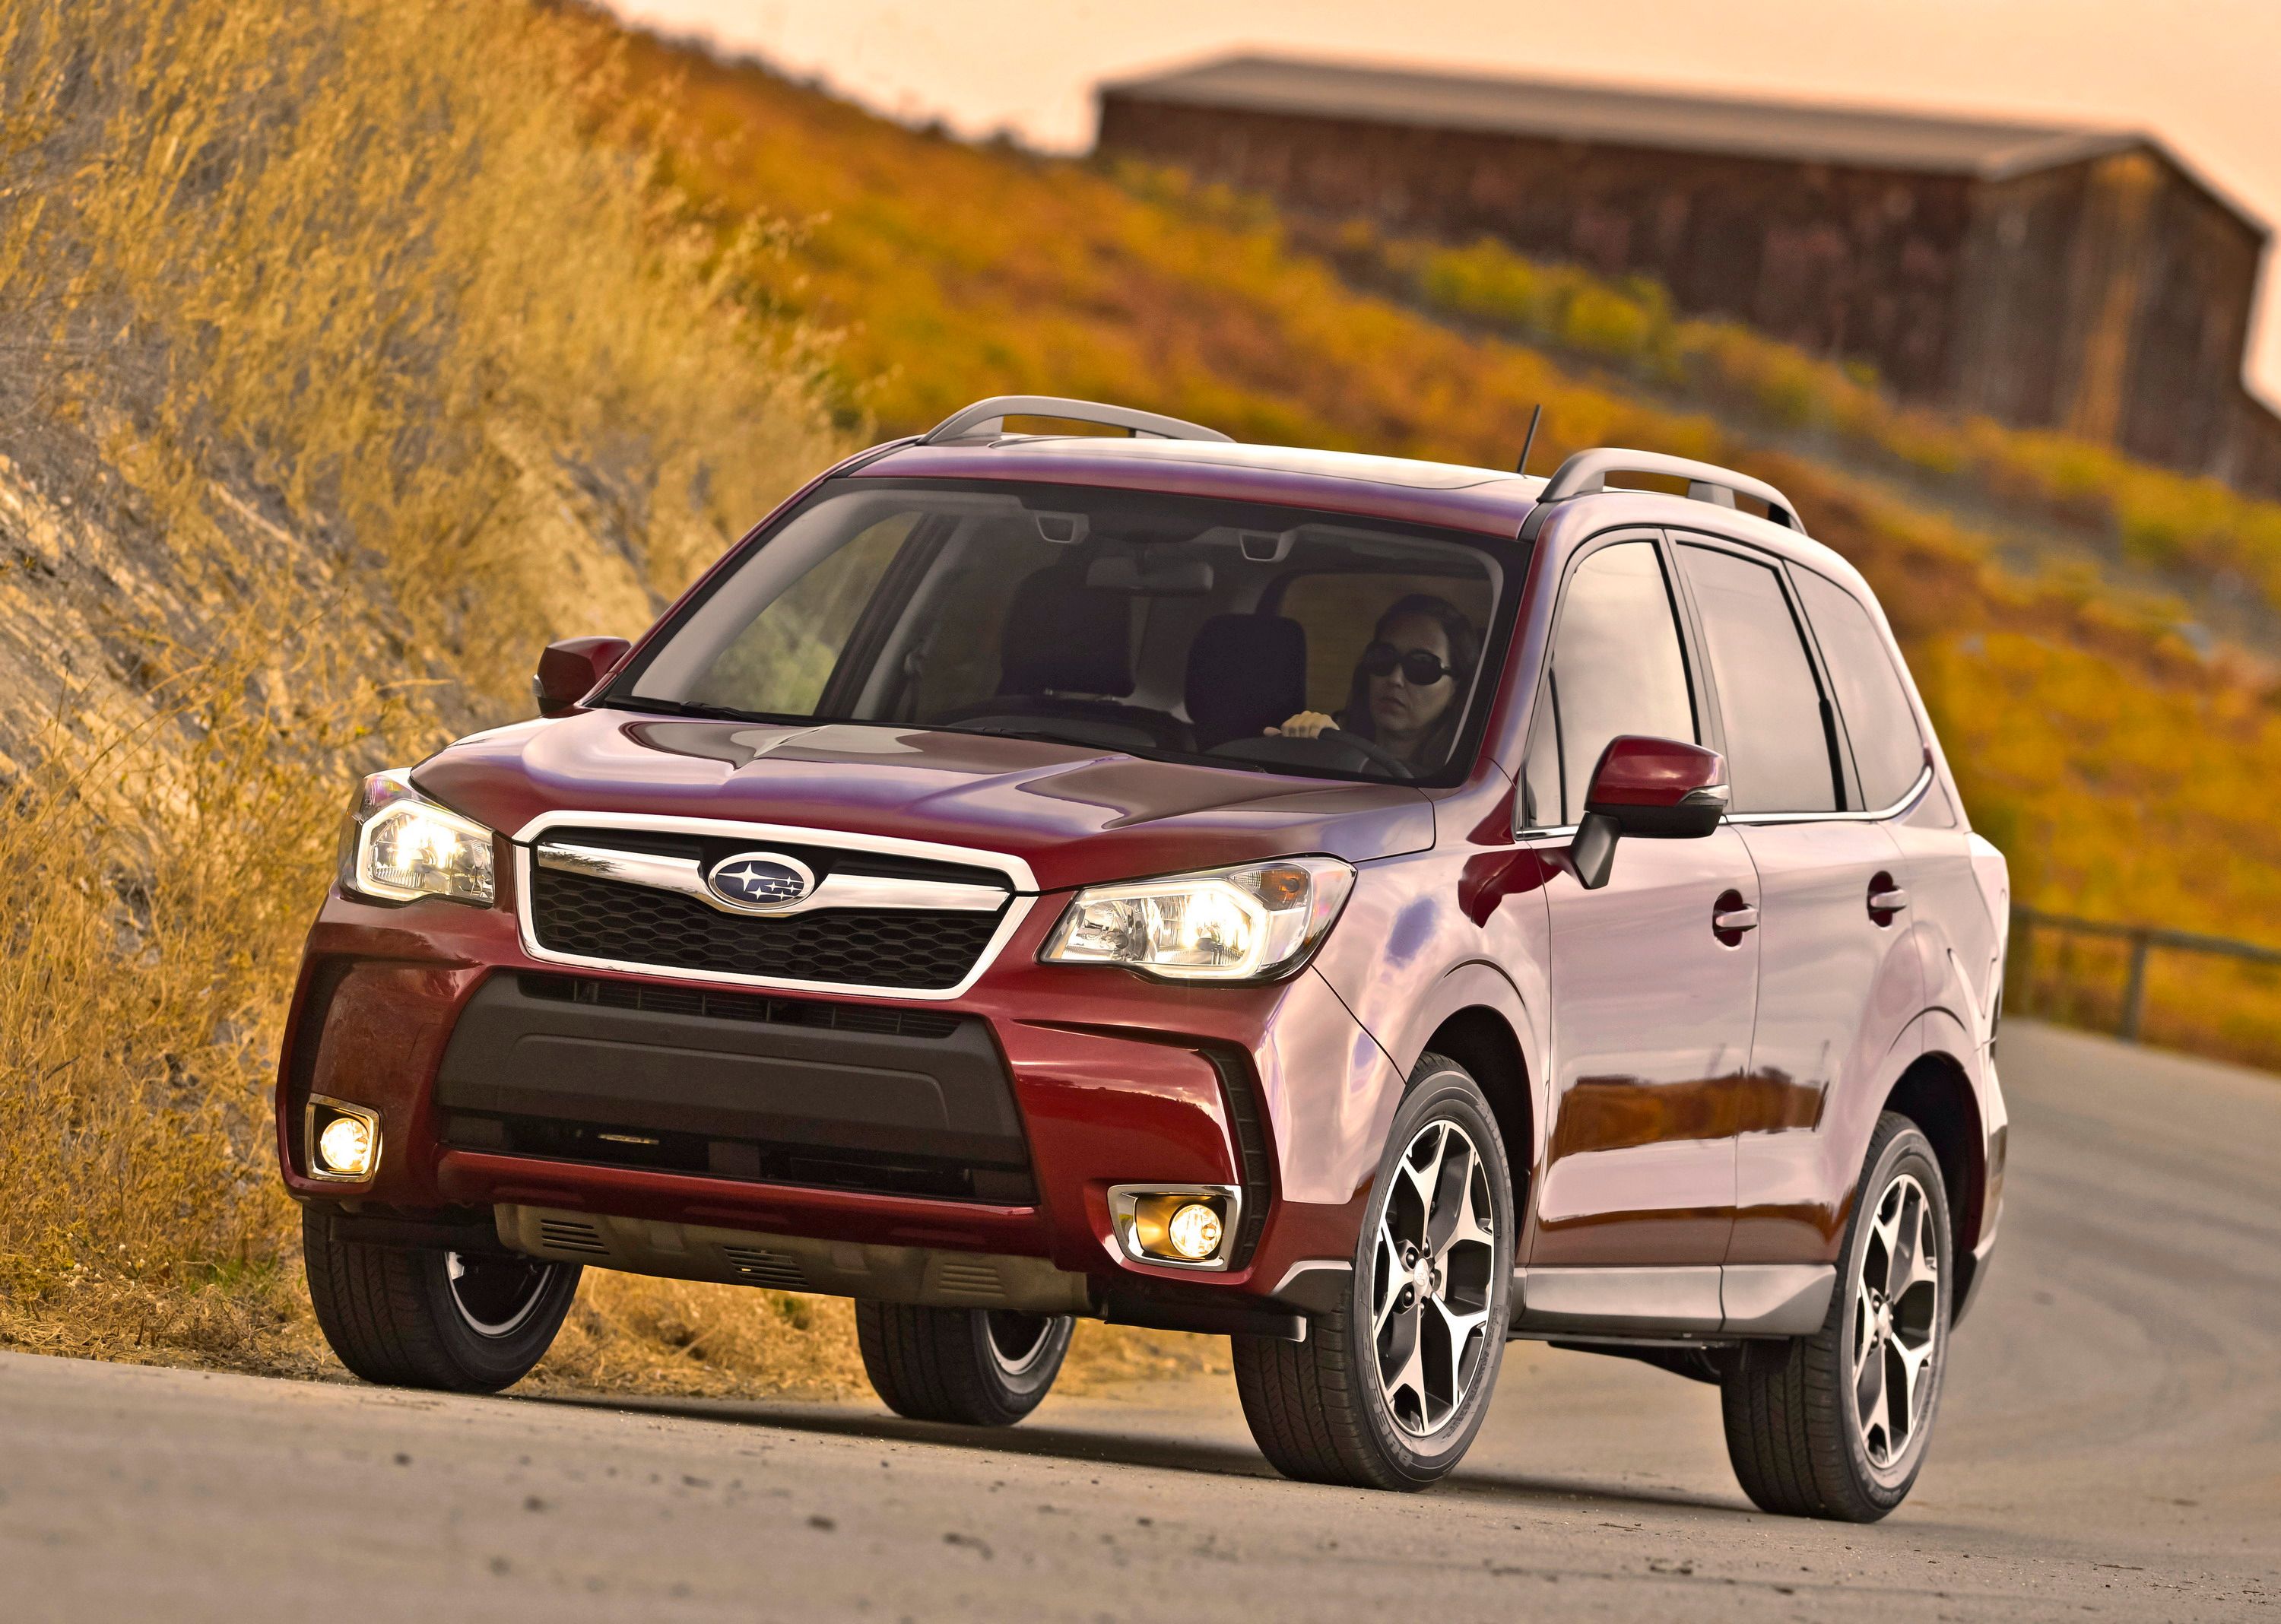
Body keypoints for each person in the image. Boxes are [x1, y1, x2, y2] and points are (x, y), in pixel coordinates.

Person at [1268, 593, 1480, 771]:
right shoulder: (1330, 743)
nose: (1395, 679)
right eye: (1383, 658)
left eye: (1422, 666)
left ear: (1456, 690)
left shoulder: (1461, 786)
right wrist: (1316, 751)